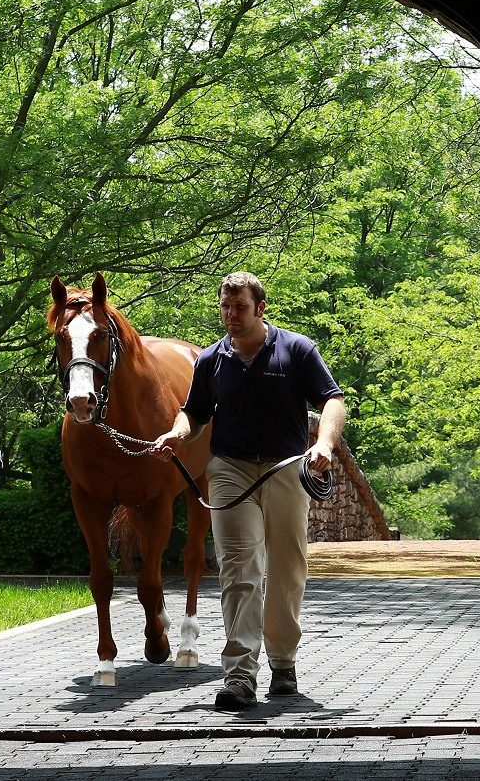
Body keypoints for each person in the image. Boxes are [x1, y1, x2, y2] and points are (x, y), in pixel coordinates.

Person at [148, 271, 347, 710]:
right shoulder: (211, 360)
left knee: (286, 568)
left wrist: (324, 444)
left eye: (239, 307)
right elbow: (194, 414)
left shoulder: (296, 349)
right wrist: (176, 435)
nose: (230, 315)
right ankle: (239, 674)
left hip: (285, 468)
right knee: (239, 569)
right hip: (230, 470)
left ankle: (283, 661)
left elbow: (332, 400)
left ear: (260, 308)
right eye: (225, 306)